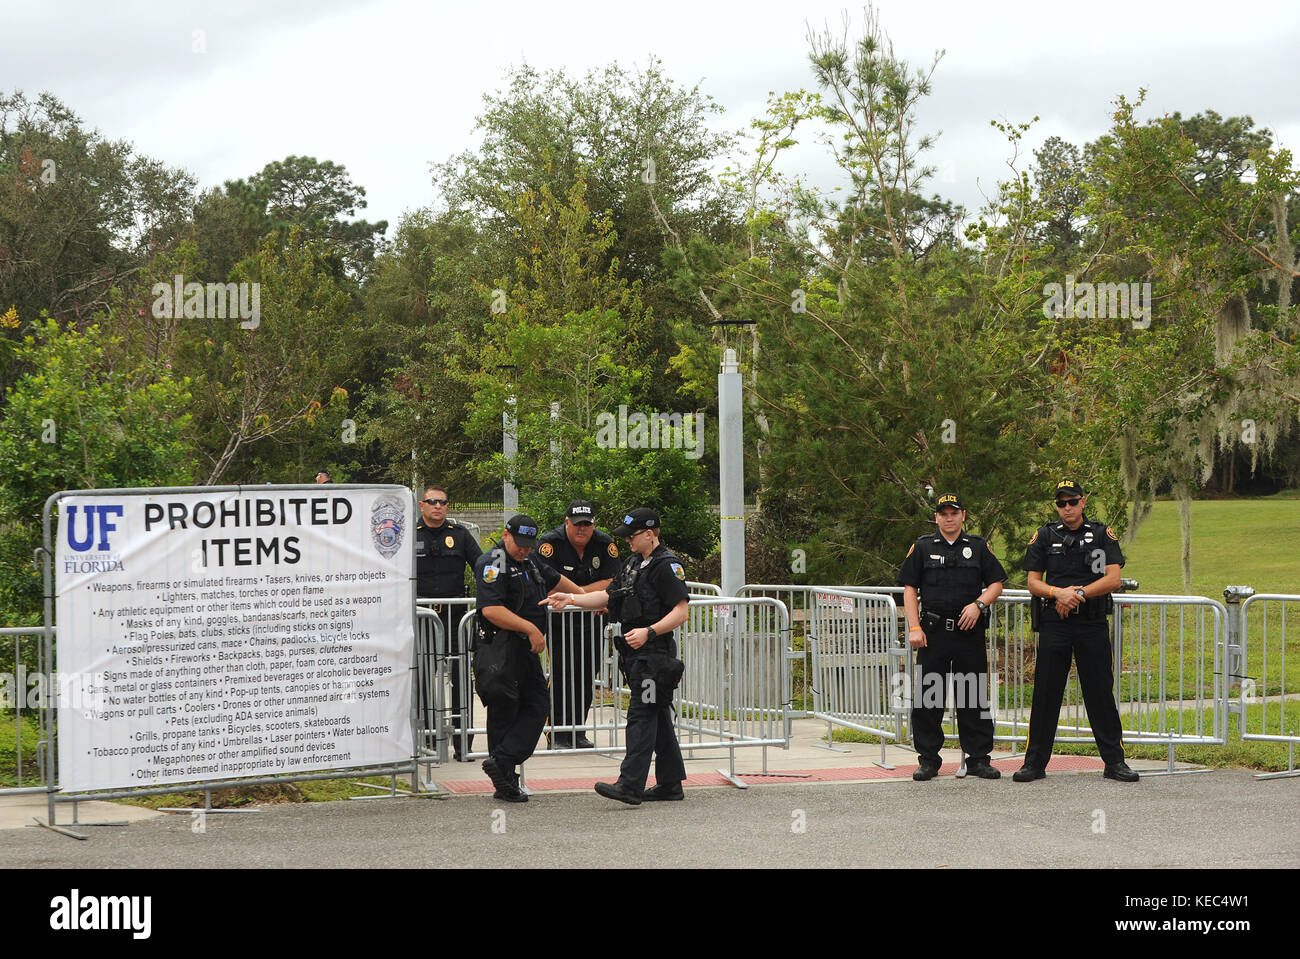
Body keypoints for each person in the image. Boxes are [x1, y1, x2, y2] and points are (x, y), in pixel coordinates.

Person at [542, 508, 690, 805]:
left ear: (650, 534)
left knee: (641, 716)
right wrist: (571, 598)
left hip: (654, 655)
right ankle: (670, 783)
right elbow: (609, 596)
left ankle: (630, 785)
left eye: (632, 536)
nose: (628, 542)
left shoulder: (666, 566)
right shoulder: (635, 562)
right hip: (638, 654)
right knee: (658, 715)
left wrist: (650, 631)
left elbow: (681, 611)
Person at [1014, 480, 1139, 783]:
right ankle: (1034, 763)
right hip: (1055, 622)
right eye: (1061, 503)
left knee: (1099, 692)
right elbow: (1033, 582)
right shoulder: (1045, 535)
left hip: (1091, 622)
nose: (1067, 508)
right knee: (1046, 693)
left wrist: (1078, 594)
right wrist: (1058, 593)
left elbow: (1113, 579)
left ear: (1083, 502)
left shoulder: (1101, 533)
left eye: (1072, 502)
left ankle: (1114, 761)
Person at [897, 493, 1007, 780]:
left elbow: (996, 582)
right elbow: (909, 588)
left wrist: (979, 604)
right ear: (936, 517)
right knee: (929, 697)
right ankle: (929, 760)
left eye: (954, 513)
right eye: (943, 513)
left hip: (968, 633)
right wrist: (913, 627)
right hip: (933, 635)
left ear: (963, 515)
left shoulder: (978, 547)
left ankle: (979, 759)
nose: (949, 517)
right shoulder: (922, 547)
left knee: (973, 695)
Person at [475, 515, 584, 802]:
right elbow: (491, 609)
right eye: (519, 544)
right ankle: (506, 780)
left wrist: (585, 597)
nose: (523, 550)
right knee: (504, 711)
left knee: (537, 705)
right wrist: (531, 629)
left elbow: (557, 579)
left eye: (528, 545)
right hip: (502, 648)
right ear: (505, 535)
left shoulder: (531, 561)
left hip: (525, 651)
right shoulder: (495, 561)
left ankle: (503, 762)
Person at [534, 500, 621, 749]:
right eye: (577, 524)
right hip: (560, 621)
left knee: (586, 674)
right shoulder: (550, 544)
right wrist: (587, 596)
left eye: (587, 524)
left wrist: (577, 595)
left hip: (592, 619)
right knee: (563, 674)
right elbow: (548, 584)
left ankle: (577, 732)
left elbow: (613, 582)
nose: (582, 529)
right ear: (567, 523)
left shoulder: (605, 544)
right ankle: (557, 734)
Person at [414, 484, 482, 761]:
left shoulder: (460, 535)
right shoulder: (407, 535)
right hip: (421, 618)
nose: (438, 506)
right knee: (423, 678)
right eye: (432, 501)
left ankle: (462, 739)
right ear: (422, 505)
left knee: (460, 677)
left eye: (442, 502)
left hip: (454, 618)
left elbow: (482, 565)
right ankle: (429, 739)